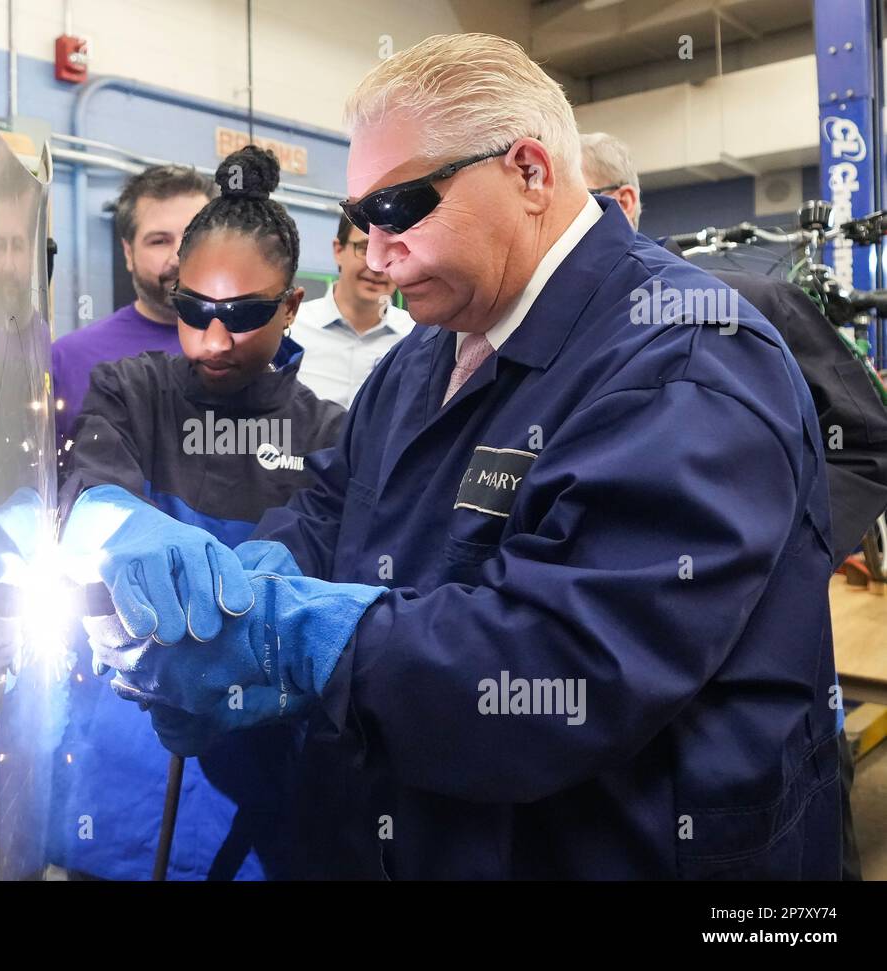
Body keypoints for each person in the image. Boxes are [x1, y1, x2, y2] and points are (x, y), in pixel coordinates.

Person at [63, 33, 843, 879]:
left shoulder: (686, 359)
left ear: (531, 172)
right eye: (361, 220)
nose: (375, 250)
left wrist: (293, 643)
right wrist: (223, 600)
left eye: (400, 210)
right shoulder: (430, 354)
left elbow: (564, 669)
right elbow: (334, 510)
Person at [581, 128, 887, 881]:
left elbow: (866, 441)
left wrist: (788, 547)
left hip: (766, 694)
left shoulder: (750, 303)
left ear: (622, 203)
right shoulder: (564, 338)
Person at [49, 146, 346, 880]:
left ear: (290, 305)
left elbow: (325, 558)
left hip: (261, 773)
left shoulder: (328, 433)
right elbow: (90, 481)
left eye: (244, 316)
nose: (213, 341)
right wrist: (114, 520)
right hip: (121, 768)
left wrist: (263, 619)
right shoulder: (130, 388)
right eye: (194, 311)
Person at [50, 165, 216, 449]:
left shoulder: (255, 352)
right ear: (128, 253)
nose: (179, 256)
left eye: (194, 238)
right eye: (159, 241)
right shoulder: (67, 361)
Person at [293, 214, 414, 407]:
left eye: (392, 252)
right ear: (338, 250)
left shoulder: (415, 339)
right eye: (365, 249)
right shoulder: (293, 328)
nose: (376, 266)